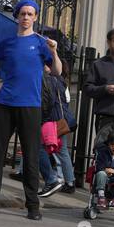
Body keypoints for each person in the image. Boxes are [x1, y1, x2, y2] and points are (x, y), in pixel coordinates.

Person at [0, 0, 61, 220]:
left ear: (35, 17)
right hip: (6, 103)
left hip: (31, 105)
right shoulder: (7, 43)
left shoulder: (41, 44)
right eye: (23, 13)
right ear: (17, 16)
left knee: (31, 157)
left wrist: (55, 52)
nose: (26, 17)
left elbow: (57, 71)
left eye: (30, 14)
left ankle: (33, 206)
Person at [37, 62, 75, 197]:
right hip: (59, 119)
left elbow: (47, 102)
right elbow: (67, 100)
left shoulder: (50, 79)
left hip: (52, 121)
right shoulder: (61, 81)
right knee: (61, 151)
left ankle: (57, 179)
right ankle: (69, 181)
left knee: (41, 148)